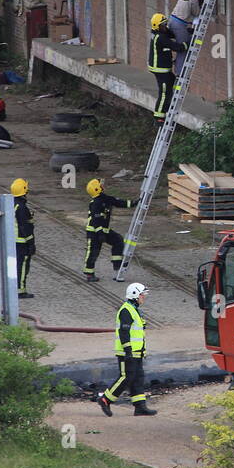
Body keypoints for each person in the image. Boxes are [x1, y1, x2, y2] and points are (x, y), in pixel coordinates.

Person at [96, 283, 158, 417]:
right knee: (126, 377)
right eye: (142, 295)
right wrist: (128, 350)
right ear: (135, 295)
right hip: (127, 353)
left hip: (137, 352)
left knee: (138, 378)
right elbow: (124, 332)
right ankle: (105, 399)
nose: (144, 298)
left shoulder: (134, 309)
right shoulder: (126, 310)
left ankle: (140, 406)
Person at [84, 178, 135, 282]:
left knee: (118, 241)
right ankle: (89, 274)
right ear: (97, 189)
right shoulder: (95, 203)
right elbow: (95, 219)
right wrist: (99, 233)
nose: (103, 186)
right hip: (94, 232)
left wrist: (134, 203)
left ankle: (117, 265)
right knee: (93, 252)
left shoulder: (105, 198)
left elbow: (118, 202)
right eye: (101, 185)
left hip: (104, 230)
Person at [148, 13, 186, 123]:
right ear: (157, 26)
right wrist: (187, 43)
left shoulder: (160, 33)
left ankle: (168, 106)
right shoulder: (160, 38)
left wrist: (186, 32)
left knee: (172, 84)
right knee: (164, 92)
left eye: (165, 24)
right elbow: (177, 48)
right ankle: (159, 116)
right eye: (163, 25)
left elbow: (171, 34)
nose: (165, 27)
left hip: (164, 68)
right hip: (160, 70)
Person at [169, 0, 204, 76]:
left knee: (186, 40)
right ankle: (179, 72)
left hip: (172, 20)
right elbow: (196, 13)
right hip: (179, 25)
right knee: (183, 48)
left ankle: (177, 63)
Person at [11, 178, 35, 299]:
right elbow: (25, 226)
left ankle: (13, 288)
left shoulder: (12, 203)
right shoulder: (22, 207)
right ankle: (20, 291)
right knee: (23, 266)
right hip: (22, 242)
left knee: (14, 265)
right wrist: (31, 242)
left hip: (13, 241)